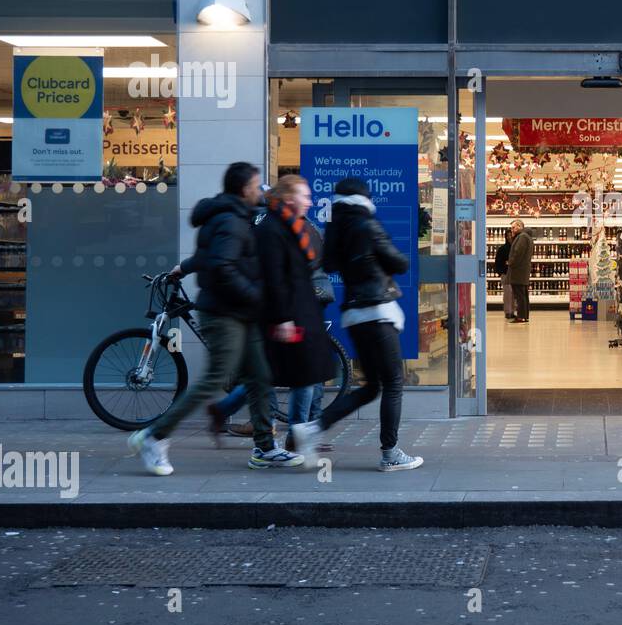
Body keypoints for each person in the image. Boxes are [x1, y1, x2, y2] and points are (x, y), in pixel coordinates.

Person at [127, 162, 305, 475]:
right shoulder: (231, 220)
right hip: (226, 313)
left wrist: (183, 267)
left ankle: (265, 448)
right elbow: (223, 266)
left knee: (260, 375)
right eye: (256, 184)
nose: (260, 188)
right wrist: (255, 294)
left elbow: (213, 257)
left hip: (240, 312)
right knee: (214, 378)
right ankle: (154, 437)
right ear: (243, 189)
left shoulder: (233, 215)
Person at [290, 177, 423, 472]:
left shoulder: (336, 229)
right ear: (364, 199)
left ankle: (312, 428)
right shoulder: (367, 225)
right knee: (393, 384)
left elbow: (330, 265)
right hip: (377, 312)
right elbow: (399, 263)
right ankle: (390, 453)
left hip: (353, 316)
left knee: (370, 386)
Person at [255, 174, 333, 438]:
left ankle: (297, 432)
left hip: (301, 311)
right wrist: (285, 318)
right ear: (289, 198)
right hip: (290, 314)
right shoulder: (274, 228)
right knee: (301, 373)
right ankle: (293, 434)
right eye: (305, 196)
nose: (310, 202)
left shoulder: (295, 226)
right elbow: (276, 276)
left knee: (303, 372)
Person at [507, 219, 533, 324]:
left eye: (513, 227)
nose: (512, 230)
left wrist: (511, 263)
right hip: (523, 271)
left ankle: (521, 317)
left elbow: (517, 253)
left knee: (519, 296)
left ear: (519, 226)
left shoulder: (522, 237)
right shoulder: (527, 237)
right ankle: (524, 316)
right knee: (523, 295)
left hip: (518, 271)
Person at [494, 226, 514, 321]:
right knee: (507, 293)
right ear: (505, 237)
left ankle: (512, 311)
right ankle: (508, 312)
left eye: (511, 235)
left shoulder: (516, 247)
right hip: (505, 274)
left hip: (515, 274)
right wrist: (500, 273)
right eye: (508, 236)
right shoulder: (502, 249)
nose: (510, 237)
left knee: (514, 294)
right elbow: (497, 262)